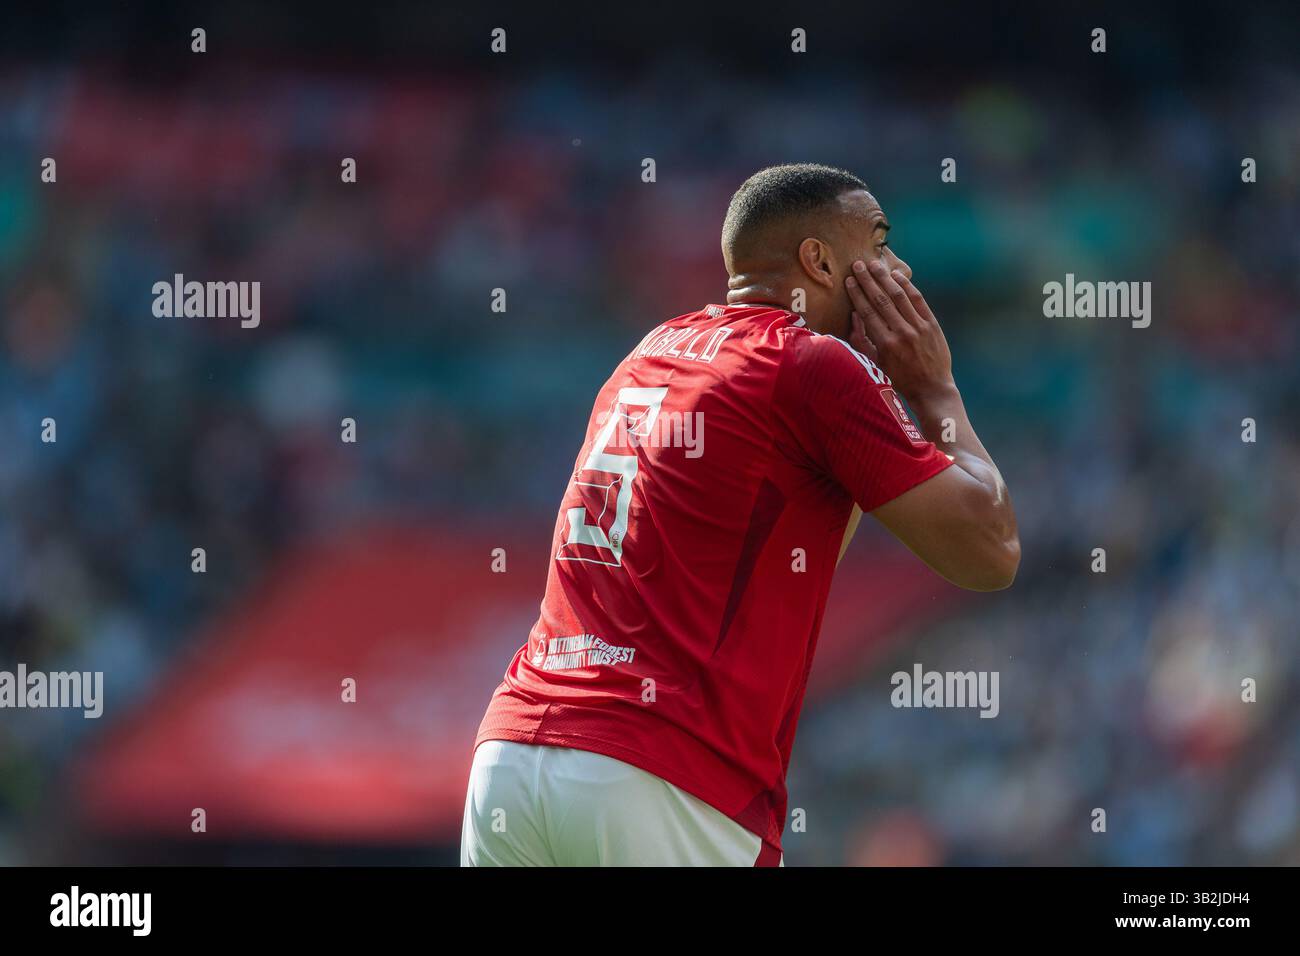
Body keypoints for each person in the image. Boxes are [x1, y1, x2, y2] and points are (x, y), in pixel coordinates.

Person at [462, 163, 1020, 866]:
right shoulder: (810, 364)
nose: (899, 267)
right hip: (661, 777)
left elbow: (797, 543)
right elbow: (990, 550)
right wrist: (934, 389)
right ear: (818, 261)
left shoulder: (649, 352)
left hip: (513, 760)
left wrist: (873, 404)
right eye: (878, 243)